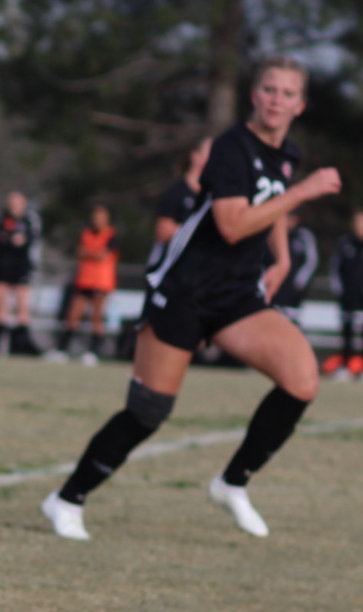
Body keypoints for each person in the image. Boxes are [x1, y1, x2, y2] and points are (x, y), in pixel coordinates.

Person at [43, 57, 340, 542]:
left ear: (300, 105)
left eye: (287, 93)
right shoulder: (230, 148)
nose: (276, 99)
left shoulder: (288, 154)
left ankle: (231, 482)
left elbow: (273, 210)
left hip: (236, 294)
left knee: (302, 381)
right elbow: (233, 224)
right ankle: (66, 499)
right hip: (184, 290)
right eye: (269, 89)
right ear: (254, 94)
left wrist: (281, 258)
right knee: (148, 411)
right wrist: (304, 193)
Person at [52, 204, 117, 364]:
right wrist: (92, 254)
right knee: (73, 316)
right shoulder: (86, 233)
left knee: (96, 318)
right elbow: (80, 252)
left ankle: (93, 353)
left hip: (101, 282)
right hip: (84, 280)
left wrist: (89, 253)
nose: (97, 220)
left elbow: (103, 255)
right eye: (95, 217)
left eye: (101, 217)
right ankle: (62, 350)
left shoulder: (111, 235)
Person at [0, 191, 41, 356]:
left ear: (24, 202)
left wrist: (16, 240)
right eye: (11, 201)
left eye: (17, 202)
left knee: (22, 306)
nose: (14, 205)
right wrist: (11, 240)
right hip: (2, 266)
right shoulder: (0, 219)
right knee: (0, 305)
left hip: (21, 267)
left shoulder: (30, 220)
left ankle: (20, 346)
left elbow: (31, 239)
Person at [323, 210, 363, 380]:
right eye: (358, 222)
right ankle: (346, 366)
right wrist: (341, 292)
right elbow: (335, 269)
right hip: (348, 299)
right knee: (347, 334)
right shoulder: (344, 243)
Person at [153, 138, 211, 245]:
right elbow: (164, 232)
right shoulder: (176, 191)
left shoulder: (213, 194)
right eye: (211, 152)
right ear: (195, 156)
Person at [268, 210, 319, 320]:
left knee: (291, 321)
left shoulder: (303, 236)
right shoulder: (270, 235)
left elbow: (311, 262)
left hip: (293, 291)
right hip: (273, 288)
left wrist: (298, 283)